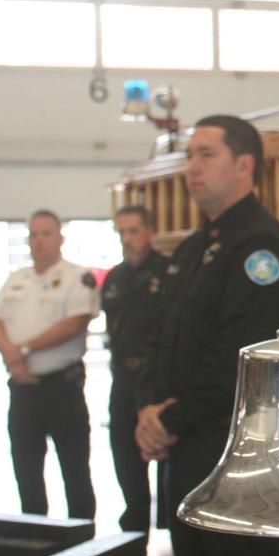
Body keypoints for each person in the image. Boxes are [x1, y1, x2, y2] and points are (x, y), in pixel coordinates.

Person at [135, 115, 279, 556]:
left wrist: (169, 419)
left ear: (245, 165)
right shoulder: (192, 249)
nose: (191, 168)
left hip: (237, 458)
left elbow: (242, 359)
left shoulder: (261, 249)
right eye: (189, 156)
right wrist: (148, 408)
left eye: (206, 154)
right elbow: (160, 340)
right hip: (188, 451)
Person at [0, 210, 100, 519]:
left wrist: (23, 348)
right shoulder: (18, 278)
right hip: (23, 388)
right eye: (33, 234)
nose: (39, 241)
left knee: (75, 473)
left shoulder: (78, 277)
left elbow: (74, 324)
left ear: (60, 238)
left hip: (61, 387)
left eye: (46, 233)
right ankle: (35, 546)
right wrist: (11, 355)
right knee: (26, 473)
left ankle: (84, 549)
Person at [102, 204, 167, 537]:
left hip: (157, 381)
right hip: (123, 381)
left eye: (133, 231)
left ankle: (175, 547)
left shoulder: (167, 274)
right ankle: (134, 542)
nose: (128, 239)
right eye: (122, 232)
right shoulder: (115, 279)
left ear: (149, 231)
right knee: (126, 460)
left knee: (168, 466)